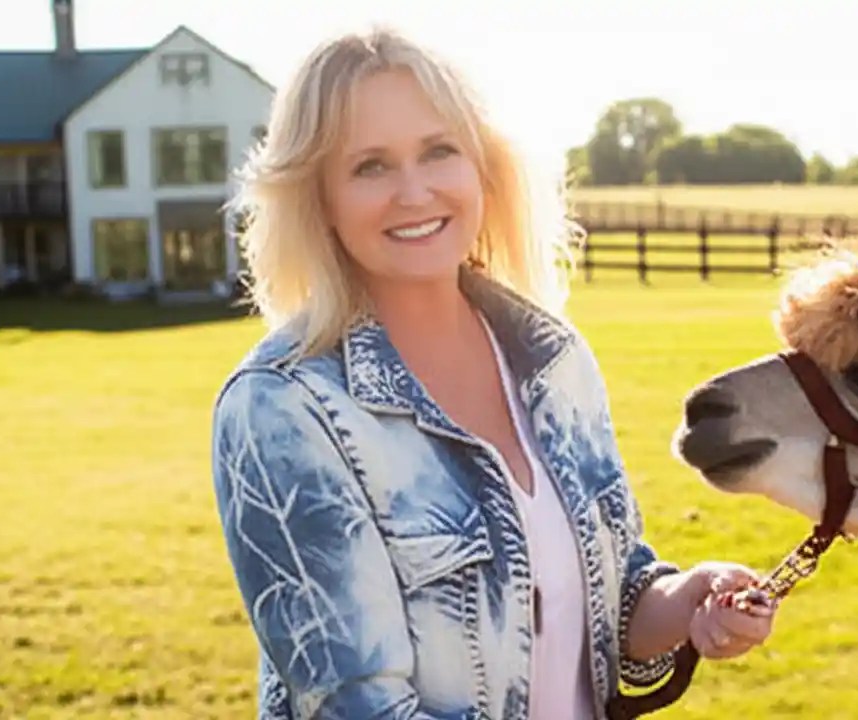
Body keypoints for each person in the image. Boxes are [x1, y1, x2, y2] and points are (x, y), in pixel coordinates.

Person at [209, 26, 776, 720]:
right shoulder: (282, 410)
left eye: (438, 151)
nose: (414, 191)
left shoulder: (552, 360)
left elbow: (613, 598)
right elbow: (355, 705)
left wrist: (686, 602)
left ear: (483, 167)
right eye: (370, 166)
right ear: (317, 199)